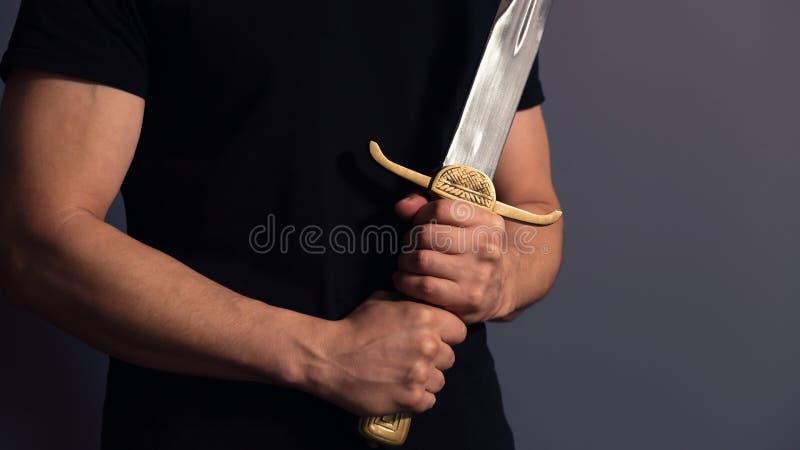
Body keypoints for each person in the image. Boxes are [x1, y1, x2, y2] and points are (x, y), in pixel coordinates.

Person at [0, 1, 563, 449]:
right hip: (201, 432)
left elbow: (535, 208)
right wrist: (322, 354)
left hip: (448, 427)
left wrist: (504, 274)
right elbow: (37, 241)